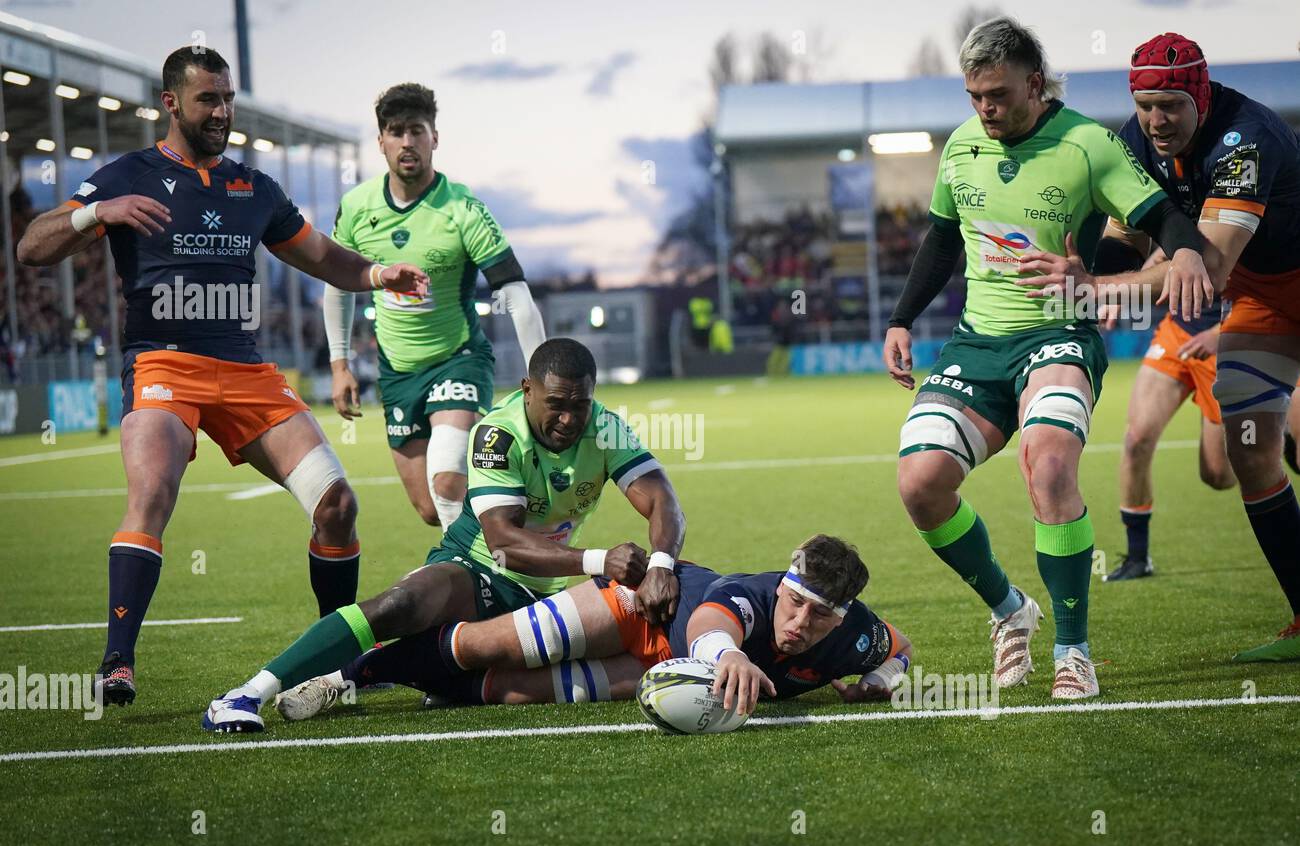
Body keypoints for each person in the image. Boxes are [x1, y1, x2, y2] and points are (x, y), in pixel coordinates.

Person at [15, 46, 429, 706]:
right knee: (151, 494)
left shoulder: (252, 187)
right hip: (162, 365)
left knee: (339, 505)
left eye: (227, 98)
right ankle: (117, 661)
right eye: (209, 99)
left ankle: (332, 660)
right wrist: (99, 213)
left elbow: (322, 256)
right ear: (171, 103)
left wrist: (378, 274)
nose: (223, 110)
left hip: (246, 372)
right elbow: (31, 246)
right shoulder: (128, 175)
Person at [882, 17, 1213, 699]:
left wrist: (1182, 250)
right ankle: (1010, 612)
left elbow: (1161, 216)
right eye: (975, 96)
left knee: (1052, 462)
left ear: (1035, 83)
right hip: (976, 344)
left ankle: (1072, 650)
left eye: (998, 94)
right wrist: (900, 318)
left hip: (1059, 335)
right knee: (919, 483)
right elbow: (943, 242)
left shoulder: (1088, 144)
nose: (985, 109)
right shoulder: (962, 147)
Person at [203, 338, 686, 732]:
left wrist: (661, 564)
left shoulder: (606, 428)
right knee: (397, 607)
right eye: (556, 404)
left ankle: (348, 675)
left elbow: (662, 498)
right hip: (476, 568)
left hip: (543, 592)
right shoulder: (499, 434)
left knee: (480, 682)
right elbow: (503, 541)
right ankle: (247, 694)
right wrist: (602, 561)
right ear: (527, 390)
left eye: (579, 405)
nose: (567, 419)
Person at [274, 534, 912, 722]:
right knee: (483, 644)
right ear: (785, 586)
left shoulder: (854, 634)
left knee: (514, 690)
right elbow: (716, 620)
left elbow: (898, 649)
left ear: (842, 614)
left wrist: (881, 678)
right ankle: (348, 673)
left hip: (656, 664)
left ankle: (429, 685)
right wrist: (728, 656)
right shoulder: (753, 596)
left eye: (819, 614)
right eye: (794, 602)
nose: (800, 622)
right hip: (641, 607)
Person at [1112, 33, 1300, 660]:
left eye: (1169, 105)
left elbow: (1208, 273)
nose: (1155, 120)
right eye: (1144, 104)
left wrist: (1092, 287)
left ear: (1200, 95)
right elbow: (1122, 244)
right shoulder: (1135, 140)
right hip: (1264, 304)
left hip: (1262, 290)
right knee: (1247, 456)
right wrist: (1086, 276)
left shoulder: (1246, 139)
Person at [324, 83, 546, 529]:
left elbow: (514, 292)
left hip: (457, 360)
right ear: (382, 141)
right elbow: (338, 286)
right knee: (430, 506)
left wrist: (542, 378)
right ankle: (517, 533)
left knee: (447, 479)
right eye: (397, 132)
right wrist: (339, 364)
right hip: (398, 372)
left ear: (435, 138)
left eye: (417, 131)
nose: (408, 142)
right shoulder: (356, 208)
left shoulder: (463, 208)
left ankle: (474, 584)